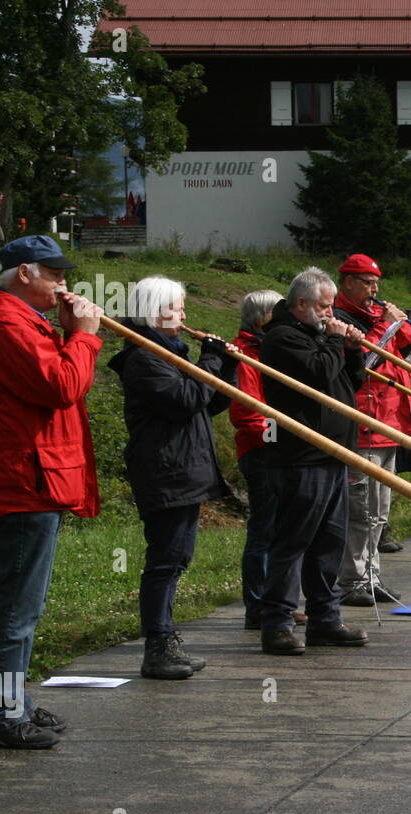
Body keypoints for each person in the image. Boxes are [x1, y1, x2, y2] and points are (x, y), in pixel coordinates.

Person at [0, 235, 104, 749]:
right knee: (15, 608)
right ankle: (0, 718)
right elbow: (61, 387)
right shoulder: (4, 322)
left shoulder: (25, 321)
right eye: (55, 274)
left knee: (25, 603)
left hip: (38, 478)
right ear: (24, 273)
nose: (64, 284)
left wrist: (71, 334)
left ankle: (13, 703)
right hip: (24, 481)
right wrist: (85, 337)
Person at [108, 276, 239, 679]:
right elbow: (185, 401)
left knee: (177, 558)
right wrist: (210, 360)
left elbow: (208, 403)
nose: (183, 316)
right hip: (164, 470)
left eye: (182, 308)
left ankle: (165, 640)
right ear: (150, 312)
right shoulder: (144, 358)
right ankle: (157, 646)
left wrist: (226, 364)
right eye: (173, 309)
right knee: (165, 560)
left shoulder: (170, 352)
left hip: (184, 469)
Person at [257, 267, 370, 654]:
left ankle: (325, 619)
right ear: (301, 303)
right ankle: (276, 623)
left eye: (331, 307)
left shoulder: (317, 336)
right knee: (292, 543)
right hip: (299, 457)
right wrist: (337, 342)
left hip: (332, 454)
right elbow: (320, 373)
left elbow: (348, 383)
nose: (329, 314)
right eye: (323, 307)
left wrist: (352, 351)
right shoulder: (282, 337)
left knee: (328, 544)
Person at [332, 253, 411, 607]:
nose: (375, 290)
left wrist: (400, 324)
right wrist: (387, 325)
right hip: (363, 425)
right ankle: (351, 578)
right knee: (359, 511)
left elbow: (405, 349)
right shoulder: (339, 318)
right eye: (367, 283)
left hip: (390, 425)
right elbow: (365, 361)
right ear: (348, 282)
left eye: (376, 283)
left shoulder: (373, 316)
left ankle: (371, 576)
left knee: (380, 512)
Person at [229, 290, 306, 630]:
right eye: (279, 312)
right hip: (262, 452)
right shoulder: (245, 353)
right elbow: (248, 412)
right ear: (262, 319)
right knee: (264, 532)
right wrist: (281, 440)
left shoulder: (276, 346)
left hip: (285, 451)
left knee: (285, 532)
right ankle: (258, 606)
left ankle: (282, 602)